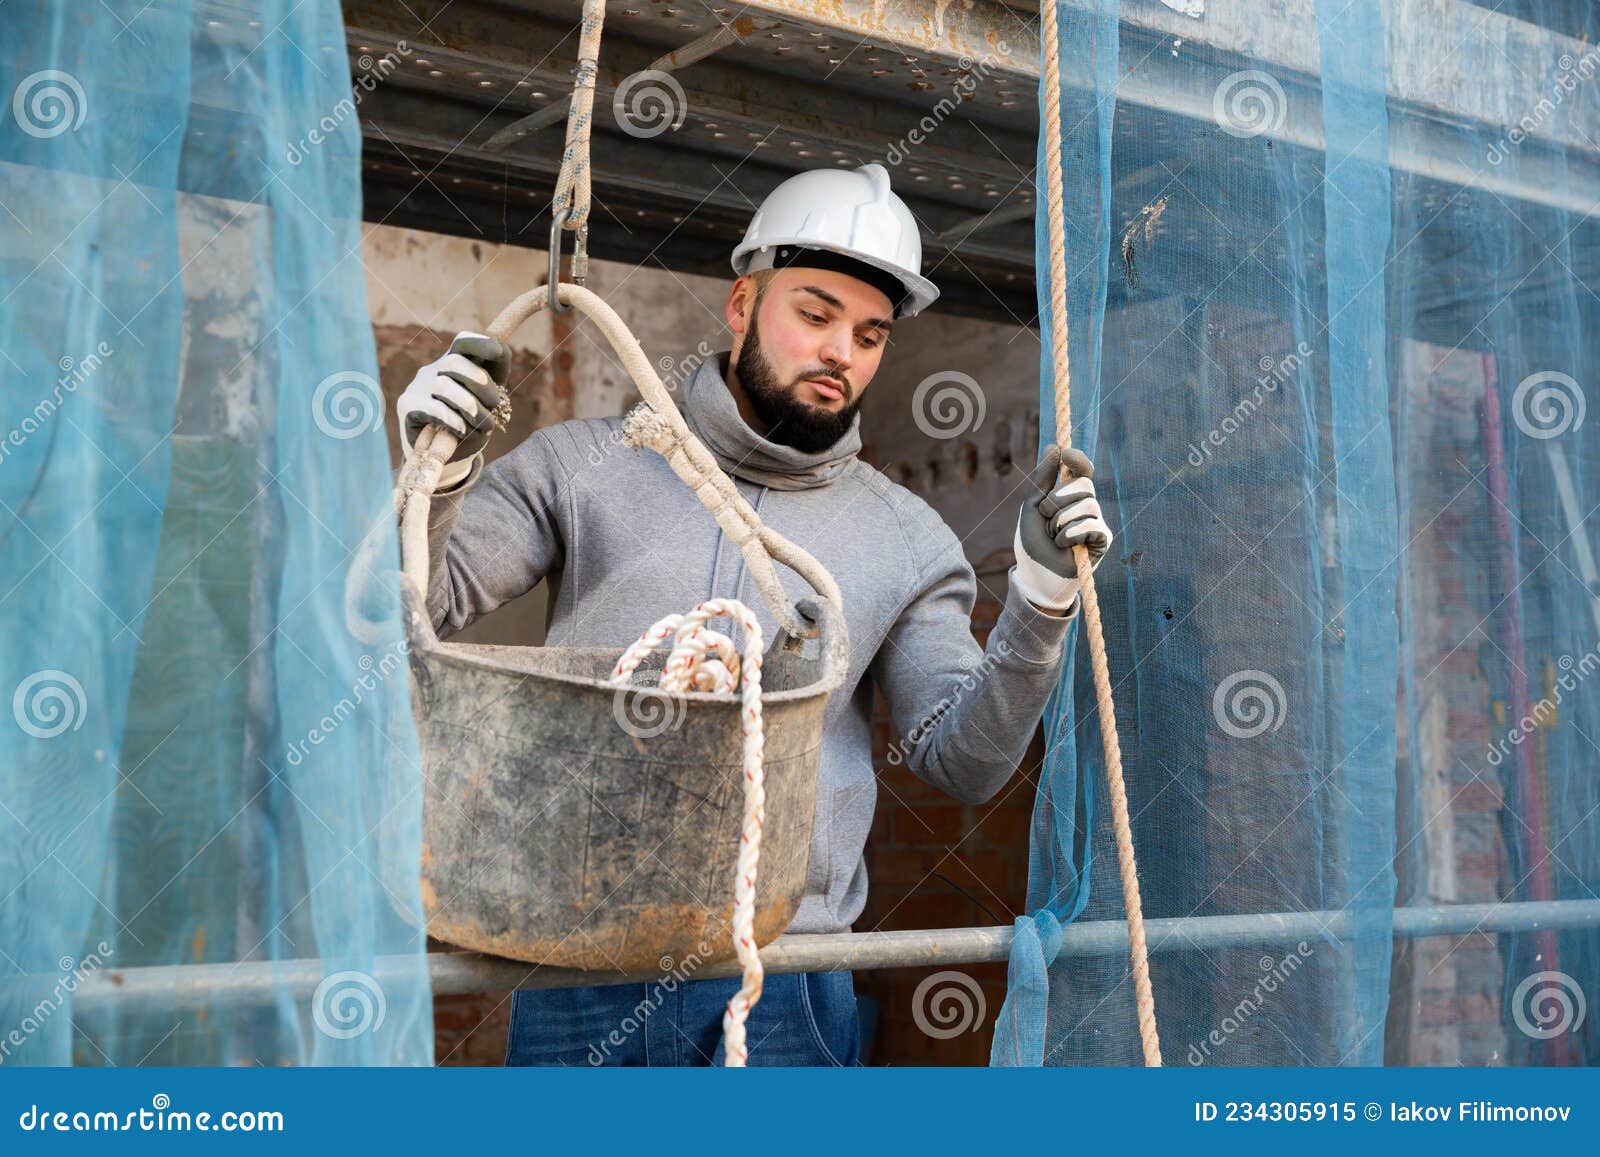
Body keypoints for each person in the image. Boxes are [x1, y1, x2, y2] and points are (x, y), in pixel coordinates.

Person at [397, 163, 1112, 1066]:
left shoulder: (906, 537)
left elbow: (963, 760)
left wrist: (1042, 600)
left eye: (869, 334)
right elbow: (419, 602)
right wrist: (437, 473)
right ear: (742, 305)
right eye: (814, 315)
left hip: (783, 984)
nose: (840, 353)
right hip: (576, 969)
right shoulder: (582, 467)